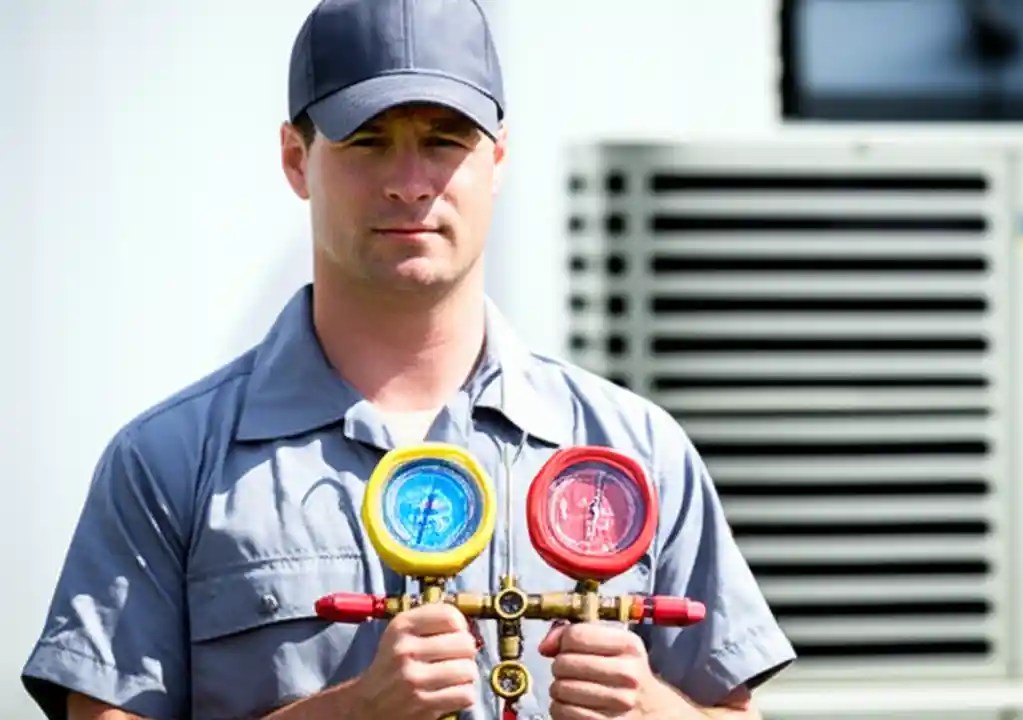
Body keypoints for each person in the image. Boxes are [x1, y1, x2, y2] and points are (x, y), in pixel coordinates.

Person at [20, 0, 797, 718]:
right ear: (295, 158)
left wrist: (654, 709)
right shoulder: (171, 463)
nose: (409, 183)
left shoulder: (637, 451)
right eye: (367, 140)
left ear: (498, 158)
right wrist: (350, 712)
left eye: (443, 140)